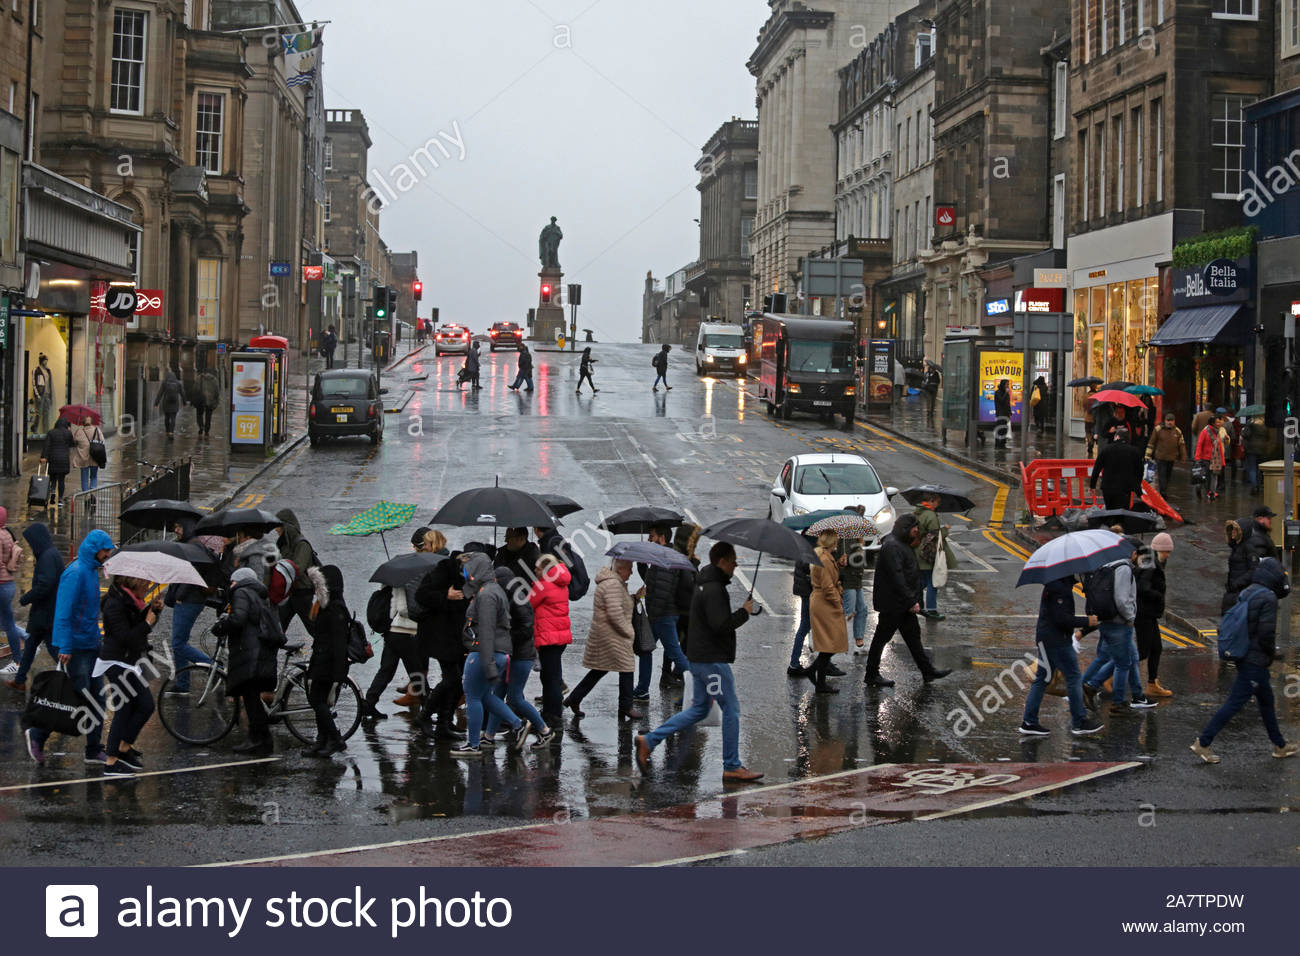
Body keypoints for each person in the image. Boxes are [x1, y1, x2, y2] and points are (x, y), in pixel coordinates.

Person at [636, 542, 763, 782]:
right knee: (731, 709)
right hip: (712, 661)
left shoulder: (704, 583)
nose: (736, 565)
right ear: (722, 561)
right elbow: (720, 626)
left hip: (699, 658)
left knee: (699, 709)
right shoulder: (714, 589)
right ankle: (732, 765)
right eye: (733, 560)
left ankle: (649, 740)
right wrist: (744, 612)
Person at [1191, 558, 1298, 763]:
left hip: (1245, 654)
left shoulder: (1250, 591)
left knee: (1267, 702)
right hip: (1254, 660)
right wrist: (1271, 654)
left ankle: (1280, 745)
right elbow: (1266, 633)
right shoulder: (1268, 597)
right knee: (1234, 703)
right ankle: (1203, 743)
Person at [25, 529, 115, 765]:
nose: (108, 555)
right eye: (106, 550)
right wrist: (65, 645)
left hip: (91, 644)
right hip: (76, 648)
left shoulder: (91, 571)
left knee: (97, 698)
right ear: (96, 549)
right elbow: (63, 613)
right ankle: (37, 734)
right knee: (75, 699)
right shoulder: (75, 573)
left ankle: (94, 748)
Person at [451, 553, 527, 757]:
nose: (465, 573)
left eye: (468, 569)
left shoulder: (486, 595)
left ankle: (473, 743)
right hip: (498, 651)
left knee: (472, 696)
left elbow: (486, 630)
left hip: (485, 651)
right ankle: (517, 724)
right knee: (484, 696)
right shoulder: (493, 591)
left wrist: (487, 662)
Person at [864, 514, 951, 686]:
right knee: (881, 639)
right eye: (914, 528)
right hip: (893, 605)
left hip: (902, 605)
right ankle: (871, 674)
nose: (916, 531)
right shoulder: (892, 546)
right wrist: (912, 601)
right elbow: (898, 577)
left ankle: (928, 671)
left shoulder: (900, 544)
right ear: (905, 528)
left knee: (913, 638)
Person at [1019, 575, 1104, 736]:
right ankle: (1079, 721)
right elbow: (1062, 619)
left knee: (1042, 679)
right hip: (1057, 641)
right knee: (1073, 677)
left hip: (1047, 637)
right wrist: (1087, 621)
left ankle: (1029, 721)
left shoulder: (1056, 584)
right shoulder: (1059, 589)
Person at [96, 576, 163, 776]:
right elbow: (126, 638)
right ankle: (111, 761)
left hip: (130, 662)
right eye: (145, 584)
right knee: (124, 708)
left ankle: (124, 748)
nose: (148, 587)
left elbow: (136, 628)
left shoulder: (130, 601)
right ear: (134, 583)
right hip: (117, 662)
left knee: (145, 706)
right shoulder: (115, 604)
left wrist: (154, 611)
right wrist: (148, 623)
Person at [564, 559, 643, 720]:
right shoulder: (613, 585)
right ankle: (626, 706)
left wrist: (634, 598)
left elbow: (620, 605)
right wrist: (629, 632)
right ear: (620, 569)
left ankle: (573, 699)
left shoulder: (615, 583)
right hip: (613, 636)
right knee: (627, 667)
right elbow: (615, 614)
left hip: (608, 635)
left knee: (600, 669)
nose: (632, 572)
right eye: (630, 568)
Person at [1080, 547, 1156, 715]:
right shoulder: (1124, 568)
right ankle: (1117, 702)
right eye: (1141, 556)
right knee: (1122, 663)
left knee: (1126, 658)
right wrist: (1130, 618)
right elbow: (1121, 599)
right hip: (1118, 623)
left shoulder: (1108, 566)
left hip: (1107, 620)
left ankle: (1093, 687)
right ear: (1134, 554)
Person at [483, 567, 553, 748]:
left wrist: (504, 638)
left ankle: (544, 731)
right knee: (497, 694)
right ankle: (489, 736)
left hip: (520, 656)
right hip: (510, 655)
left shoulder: (517, 598)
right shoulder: (509, 596)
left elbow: (526, 628)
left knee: (514, 697)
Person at [215, 566, 282, 754]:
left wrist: (222, 625)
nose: (231, 585)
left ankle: (259, 740)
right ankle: (259, 739)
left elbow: (238, 619)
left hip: (250, 652)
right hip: (258, 652)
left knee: (251, 698)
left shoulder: (241, 592)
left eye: (232, 581)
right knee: (251, 697)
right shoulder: (256, 594)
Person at [414, 545, 471, 741]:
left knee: (458, 682)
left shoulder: (469, 578)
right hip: (439, 637)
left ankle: (444, 723)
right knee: (452, 679)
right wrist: (445, 596)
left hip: (456, 638)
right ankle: (425, 716)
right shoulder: (443, 571)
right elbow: (421, 595)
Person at [632, 524, 693, 700]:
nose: (650, 539)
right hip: (662, 614)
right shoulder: (663, 556)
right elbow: (655, 583)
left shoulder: (666, 558)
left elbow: (662, 592)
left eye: (652, 536)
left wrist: (653, 616)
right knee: (645, 649)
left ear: (662, 538)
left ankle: (699, 686)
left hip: (663, 615)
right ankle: (642, 689)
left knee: (676, 655)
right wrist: (643, 566)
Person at [5, 522, 64, 690]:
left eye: (31, 542)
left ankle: (72, 677)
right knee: (30, 645)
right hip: (45, 611)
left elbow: (45, 585)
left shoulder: (46, 557)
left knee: (53, 648)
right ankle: (20, 679)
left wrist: (26, 598)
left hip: (45, 613)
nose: (30, 546)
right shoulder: (51, 554)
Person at [302, 565, 351, 757]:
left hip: (328, 663)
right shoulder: (327, 605)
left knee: (317, 700)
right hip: (321, 659)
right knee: (319, 701)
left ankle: (335, 739)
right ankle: (322, 741)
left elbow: (339, 643)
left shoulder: (335, 608)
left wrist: (339, 673)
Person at [164, 519, 216, 694]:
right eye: (175, 527)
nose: (176, 530)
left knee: (178, 644)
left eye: (179, 526)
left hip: (189, 600)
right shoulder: (189, 544)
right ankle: (182, 684)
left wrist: (179, 595)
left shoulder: (193, 547)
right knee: (179, 641)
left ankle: (214, 667)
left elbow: (192, 574)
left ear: (187, 527)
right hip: (189, 599)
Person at [530, 553, 572, 728]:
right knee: (553, 675)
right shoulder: (560, 583)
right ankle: (551, 710)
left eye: (538, 568)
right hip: (559, 637)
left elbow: (528, 604)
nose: (534, 570)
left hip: (548, 637)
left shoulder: (543, 586)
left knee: (549, 678)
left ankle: (552, 714)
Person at [807, 530, 848, 693]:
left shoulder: (826, 558)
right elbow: (827, 586)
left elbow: (829, 577)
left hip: (824, 602)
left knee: (829, 644)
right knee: (829, 643)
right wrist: (837, 602)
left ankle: (818, 678)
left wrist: (838, 565)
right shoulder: (824, 558)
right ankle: (818, 678)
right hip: (824, 604)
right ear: (832, 542)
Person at [1139, 534, 1175, 698]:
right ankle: (1103, 678)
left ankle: (1153, 683)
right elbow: (1142, 587)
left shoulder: (1153, 560)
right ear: (1159, 549)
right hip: (1144, 613)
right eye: (1166, 551)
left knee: (1156, 648)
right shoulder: (1150, 563)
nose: (1168, 554)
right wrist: (1158, 595)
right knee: (1142, 652)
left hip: (1149, 613)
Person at [914, 492, 956, 620]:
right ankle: (931, 610)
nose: (939, 504)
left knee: (921, 582)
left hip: (918, 551)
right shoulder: (930, 515)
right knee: (933, 582)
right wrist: (945, 530)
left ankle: (908, 601)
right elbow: (935, 536)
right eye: (937, 502)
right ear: (931, 501)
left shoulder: (918, 512)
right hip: (928, 553)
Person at [276, 509, 319, 633]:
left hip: (302, 591)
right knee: (279, 623)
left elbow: (298, 569)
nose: (276, 530)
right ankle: (271, 648)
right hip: (290, 591)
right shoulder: (283, 544)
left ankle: (324, 647)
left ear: (287, 526)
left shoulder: (302, 544)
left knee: (312, 625)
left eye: (279, 527)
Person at [835, 515, 869, 651]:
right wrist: (844, 559)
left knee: (862, 610)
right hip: (848, 581)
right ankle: (833, 641)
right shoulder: (844, 539)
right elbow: (839, 559)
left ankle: (859, 640)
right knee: (847, 612)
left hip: (856, 581)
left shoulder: (856, 539)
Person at [1090, 426, 1145, 510]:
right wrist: (1137, 489)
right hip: (1125, 488)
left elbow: (1097, 468)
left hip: (1108, 487)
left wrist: (1092, 485)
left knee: (1110, 511)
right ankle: (1119, 522)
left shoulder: (1106, 449)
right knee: (1122, 512)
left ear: (1117, 437)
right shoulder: (1135, 451)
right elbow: (1139, 472)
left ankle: (1111, 522)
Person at [0, 508, 26, 673]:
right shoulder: (7, 534)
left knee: (7, 624)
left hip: (1, 584)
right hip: (8, 583)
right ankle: (20, 655)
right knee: (7, 622)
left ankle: (18, 661)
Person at [1145, 412, 1186, 496]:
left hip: (1171, 457)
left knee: (1168, 475)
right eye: (1168, 420)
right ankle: (1163, 491)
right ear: (1165, 421)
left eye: (1171, 420)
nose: (1170, 422)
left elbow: (1181, 444)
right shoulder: (1158, 429)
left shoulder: (1178, 431)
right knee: (1162, 475)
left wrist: (1183, 456)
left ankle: (1164, 489)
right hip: (1160, 457)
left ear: (1174, 421)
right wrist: (1147, 455)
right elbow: (1151, 443)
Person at [787, 555, 813, 676]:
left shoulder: (806, 543)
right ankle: (794, 664)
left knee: (807, 626)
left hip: (806, 589)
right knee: (805, 626)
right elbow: (808, 567)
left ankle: (794, 663)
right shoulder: (809, 545)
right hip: (808, 590)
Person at [40, 417, 75, 504]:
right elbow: (72, 444)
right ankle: (60, 499)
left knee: (53, 478)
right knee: (61, 480)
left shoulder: (51, 432)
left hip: (53, 458)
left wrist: (43, 456)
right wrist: (69, 432)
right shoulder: (68, 433)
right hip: (63, 459)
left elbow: (46, 446)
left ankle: (52, 494)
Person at [1195, 414, 1227, 501]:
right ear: (1212, 423)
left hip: (1216, 459)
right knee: (1206, 476)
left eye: (1219, 421)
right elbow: (1199, 444)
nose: (1219, 423)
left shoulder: (1219, 432)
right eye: (1216, 422)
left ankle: (1212, 493)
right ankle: (1200, 487)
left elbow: (1220, 447)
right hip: (1206, 458)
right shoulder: (1205, 431)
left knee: (1214, 476)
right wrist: (1197, 457)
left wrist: (1222, 461)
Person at [70, 415, 104, 492]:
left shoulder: (79, 432)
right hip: (95, 457)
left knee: (84, 478)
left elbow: (74, 442)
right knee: (94, 476)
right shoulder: (97, 430)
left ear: (83, 423)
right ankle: (92, 491)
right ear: (91, 423)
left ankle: (85, 494)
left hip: (83, 459)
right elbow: (102, 441)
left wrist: (76, 434)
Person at [154, 369, 185, 439]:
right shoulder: (178, 383)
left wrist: (156, 403)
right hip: (175, 403)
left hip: (166, 403)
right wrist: (184, 402)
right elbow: (182, 393)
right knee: (173, 418)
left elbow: (160, 393)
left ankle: (167, 431)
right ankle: (171, 432)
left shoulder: (165, 383)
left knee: (167, 418)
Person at [192, 367, 221, 438]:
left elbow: (195, 389)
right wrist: (216, 399)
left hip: (200, 400)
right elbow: (217, 391)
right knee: (208, 416)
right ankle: (207, 430)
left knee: (199, 414)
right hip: (210, 400)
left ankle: (201, 426)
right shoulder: (214, 380)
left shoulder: (199, 378)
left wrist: (195, 397)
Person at [32, 353, 51, 434]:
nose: (46, 362)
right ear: (41, 361)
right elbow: (34, 382)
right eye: (45, 361)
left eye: (46, 361)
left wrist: (50, 396)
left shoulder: (48, 371)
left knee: (46, 414)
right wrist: (37, 395)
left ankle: (46, 432)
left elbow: (49, 383)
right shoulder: (36, 370)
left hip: (47, 394)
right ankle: (34, 430)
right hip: (40, 394)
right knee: (38, 413)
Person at [993, 379, 1012, 449]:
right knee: (999, 429)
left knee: (1005, 429)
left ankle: (1003, 444)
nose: (1008, 386)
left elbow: (1008, 403)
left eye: (1008, 384)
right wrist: (1006, 393)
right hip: (1000, 413)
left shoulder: (1006, 393)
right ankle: (997, 444)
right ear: (1003, 385)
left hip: (1006, 413)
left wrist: (1010, 412)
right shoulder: (998, 392)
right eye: (1006, 384)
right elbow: (1001, 401)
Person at [1083, 385, 1100, 457]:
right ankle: (1092, 442)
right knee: (1094, 431)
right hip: (1095, 418)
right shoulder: (1098, 395)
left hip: (1088, 417)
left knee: (1088, 431)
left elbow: (1083, 405)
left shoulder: (1086, 396)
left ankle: (1090, 442)